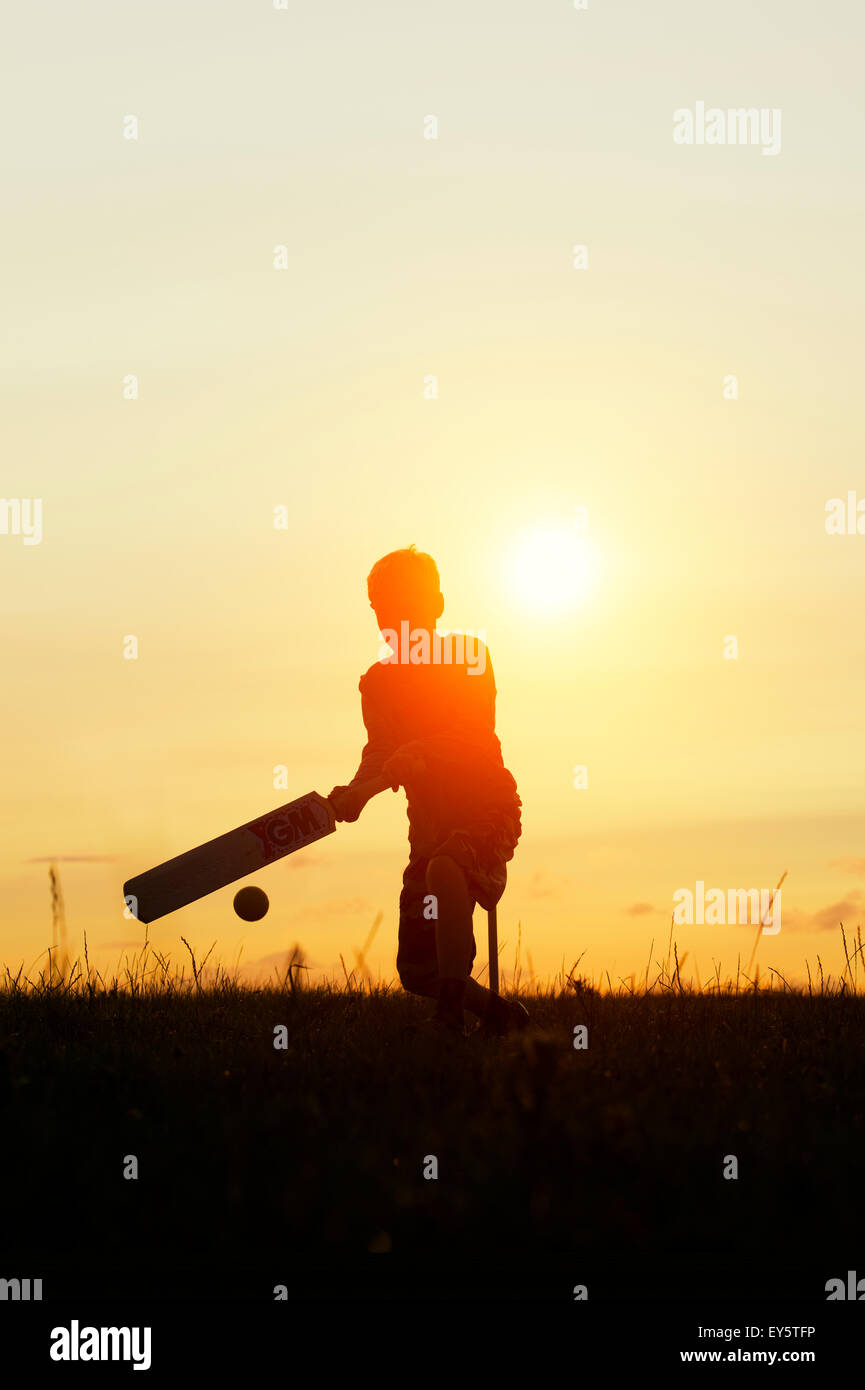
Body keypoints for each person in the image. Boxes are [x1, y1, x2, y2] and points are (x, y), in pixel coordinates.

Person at [328, 546, 528, 1036]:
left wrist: (417, 754)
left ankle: (449, 1017)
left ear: (436, 604)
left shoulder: (468, 658)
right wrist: (357, 793)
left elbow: (473, 733)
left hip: (486, 808)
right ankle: (501, 1017)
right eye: (383, 610)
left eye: (406, 606)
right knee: (417, 972)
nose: (393, 619)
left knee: (448, 866)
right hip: (430, 825)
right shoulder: (378, 683)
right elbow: (379, 752)